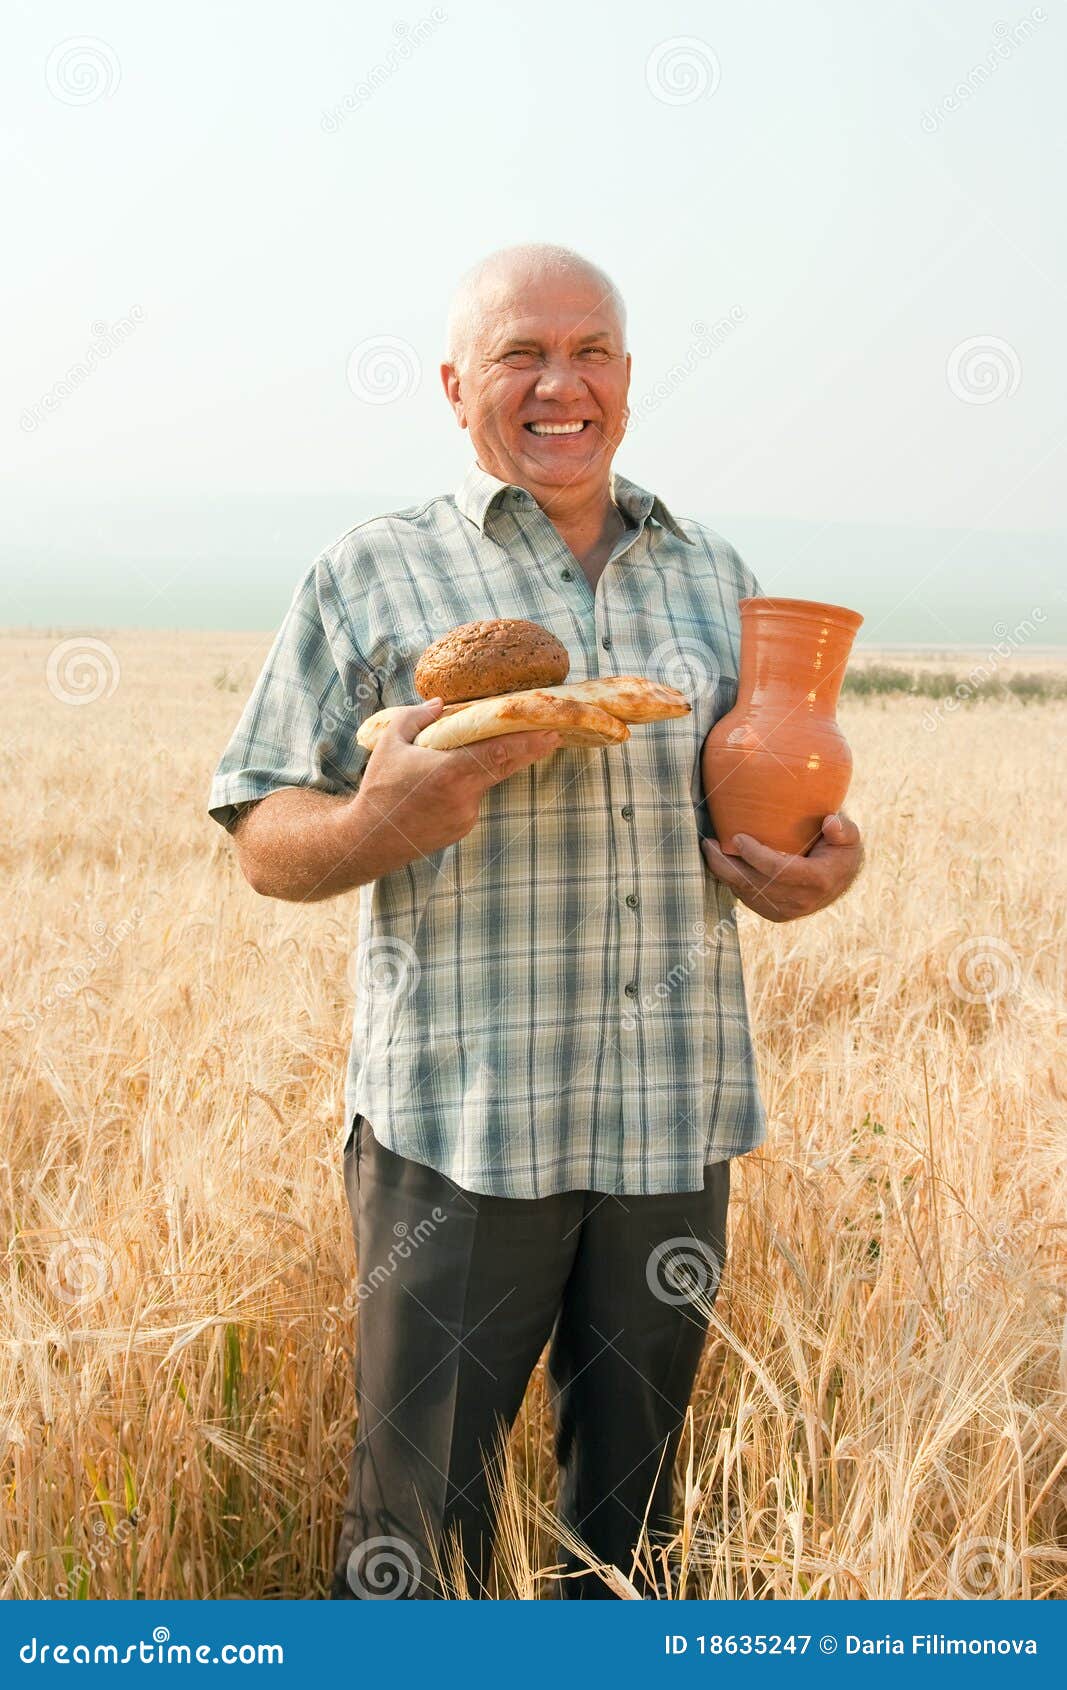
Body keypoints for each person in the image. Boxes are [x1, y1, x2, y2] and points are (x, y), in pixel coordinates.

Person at [207, 243, 864, 1599]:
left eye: (590, 352)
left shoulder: (712, 571)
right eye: (521, 354)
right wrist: (382, 822)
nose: (561, 384)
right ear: (456, 387)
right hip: (461, 1135)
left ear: (627, 376)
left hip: (671, 1123)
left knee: (632, 1533)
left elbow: (761, 808)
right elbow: (263, 835)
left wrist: (815, 873)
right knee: (415, 1534)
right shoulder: (371, 573)